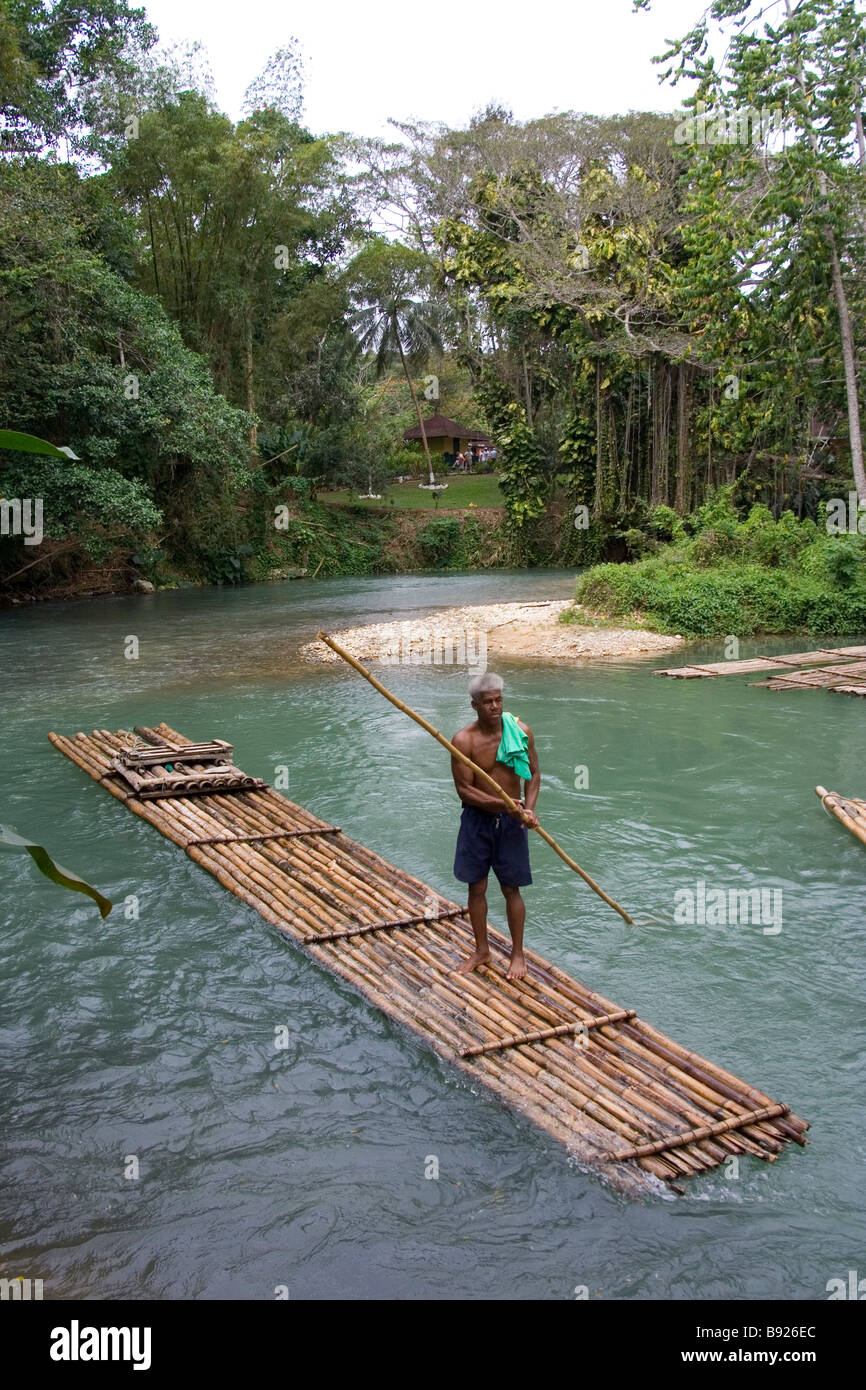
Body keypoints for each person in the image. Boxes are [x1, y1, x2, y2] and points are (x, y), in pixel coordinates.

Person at [450, 672, 540, 981]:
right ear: (474, 705)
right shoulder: (464, 741)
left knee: (511, 888)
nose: (495, 707)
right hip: (477, 822)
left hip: (512, 823)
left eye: (499, 700)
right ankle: (482, 950)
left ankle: (517, 953)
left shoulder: (520, 732)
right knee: (476, 886)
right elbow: (465, 791)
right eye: (487, 702)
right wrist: (500, 804)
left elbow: (533, 776)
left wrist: (528, 810)